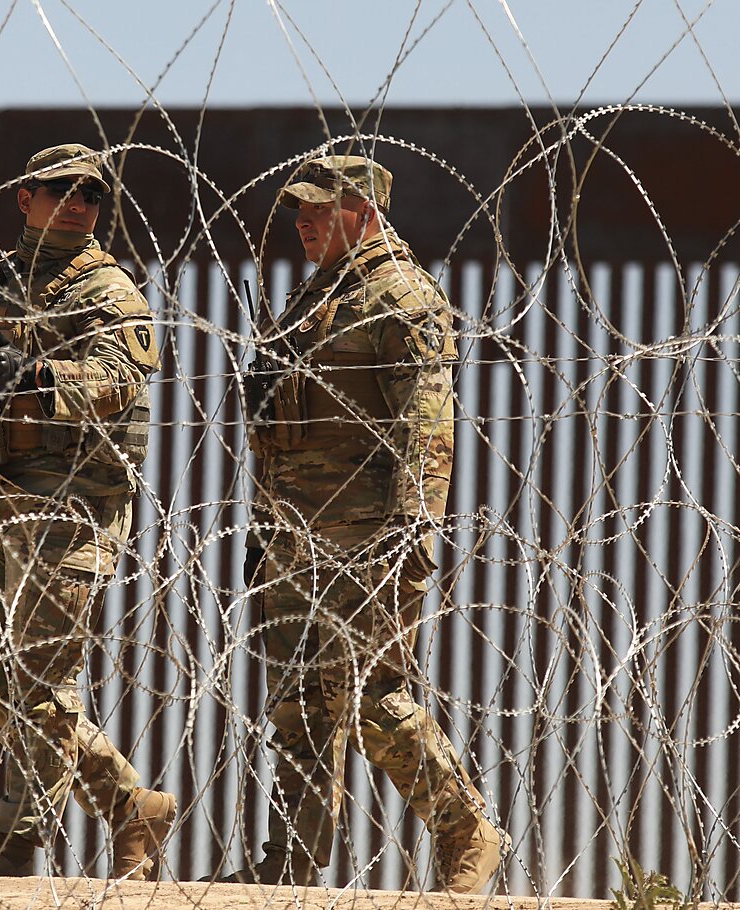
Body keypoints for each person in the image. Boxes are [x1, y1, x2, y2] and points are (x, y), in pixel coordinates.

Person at [223, 155, 508, 892]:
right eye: (299, 210)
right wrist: (262, 523)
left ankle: (466, 826)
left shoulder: (400, 296)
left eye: (323, 208)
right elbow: (280, 425)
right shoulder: (316, 298)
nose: (306, 221)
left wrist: (414, 524)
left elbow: (428, 419)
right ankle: (291, 855)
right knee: (296, 703)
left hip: (367, 531)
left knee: (373, 697)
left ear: (368, 214)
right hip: (296, 531)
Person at [0, 143, 175, 880]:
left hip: (72, 504)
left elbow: (119, 376)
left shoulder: (109, 293)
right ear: (27, 197)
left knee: (44, 674)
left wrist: (30, 376)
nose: (79, 203)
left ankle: (19, 840)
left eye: (92, 194)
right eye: (64, 190)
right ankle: (128, 806)